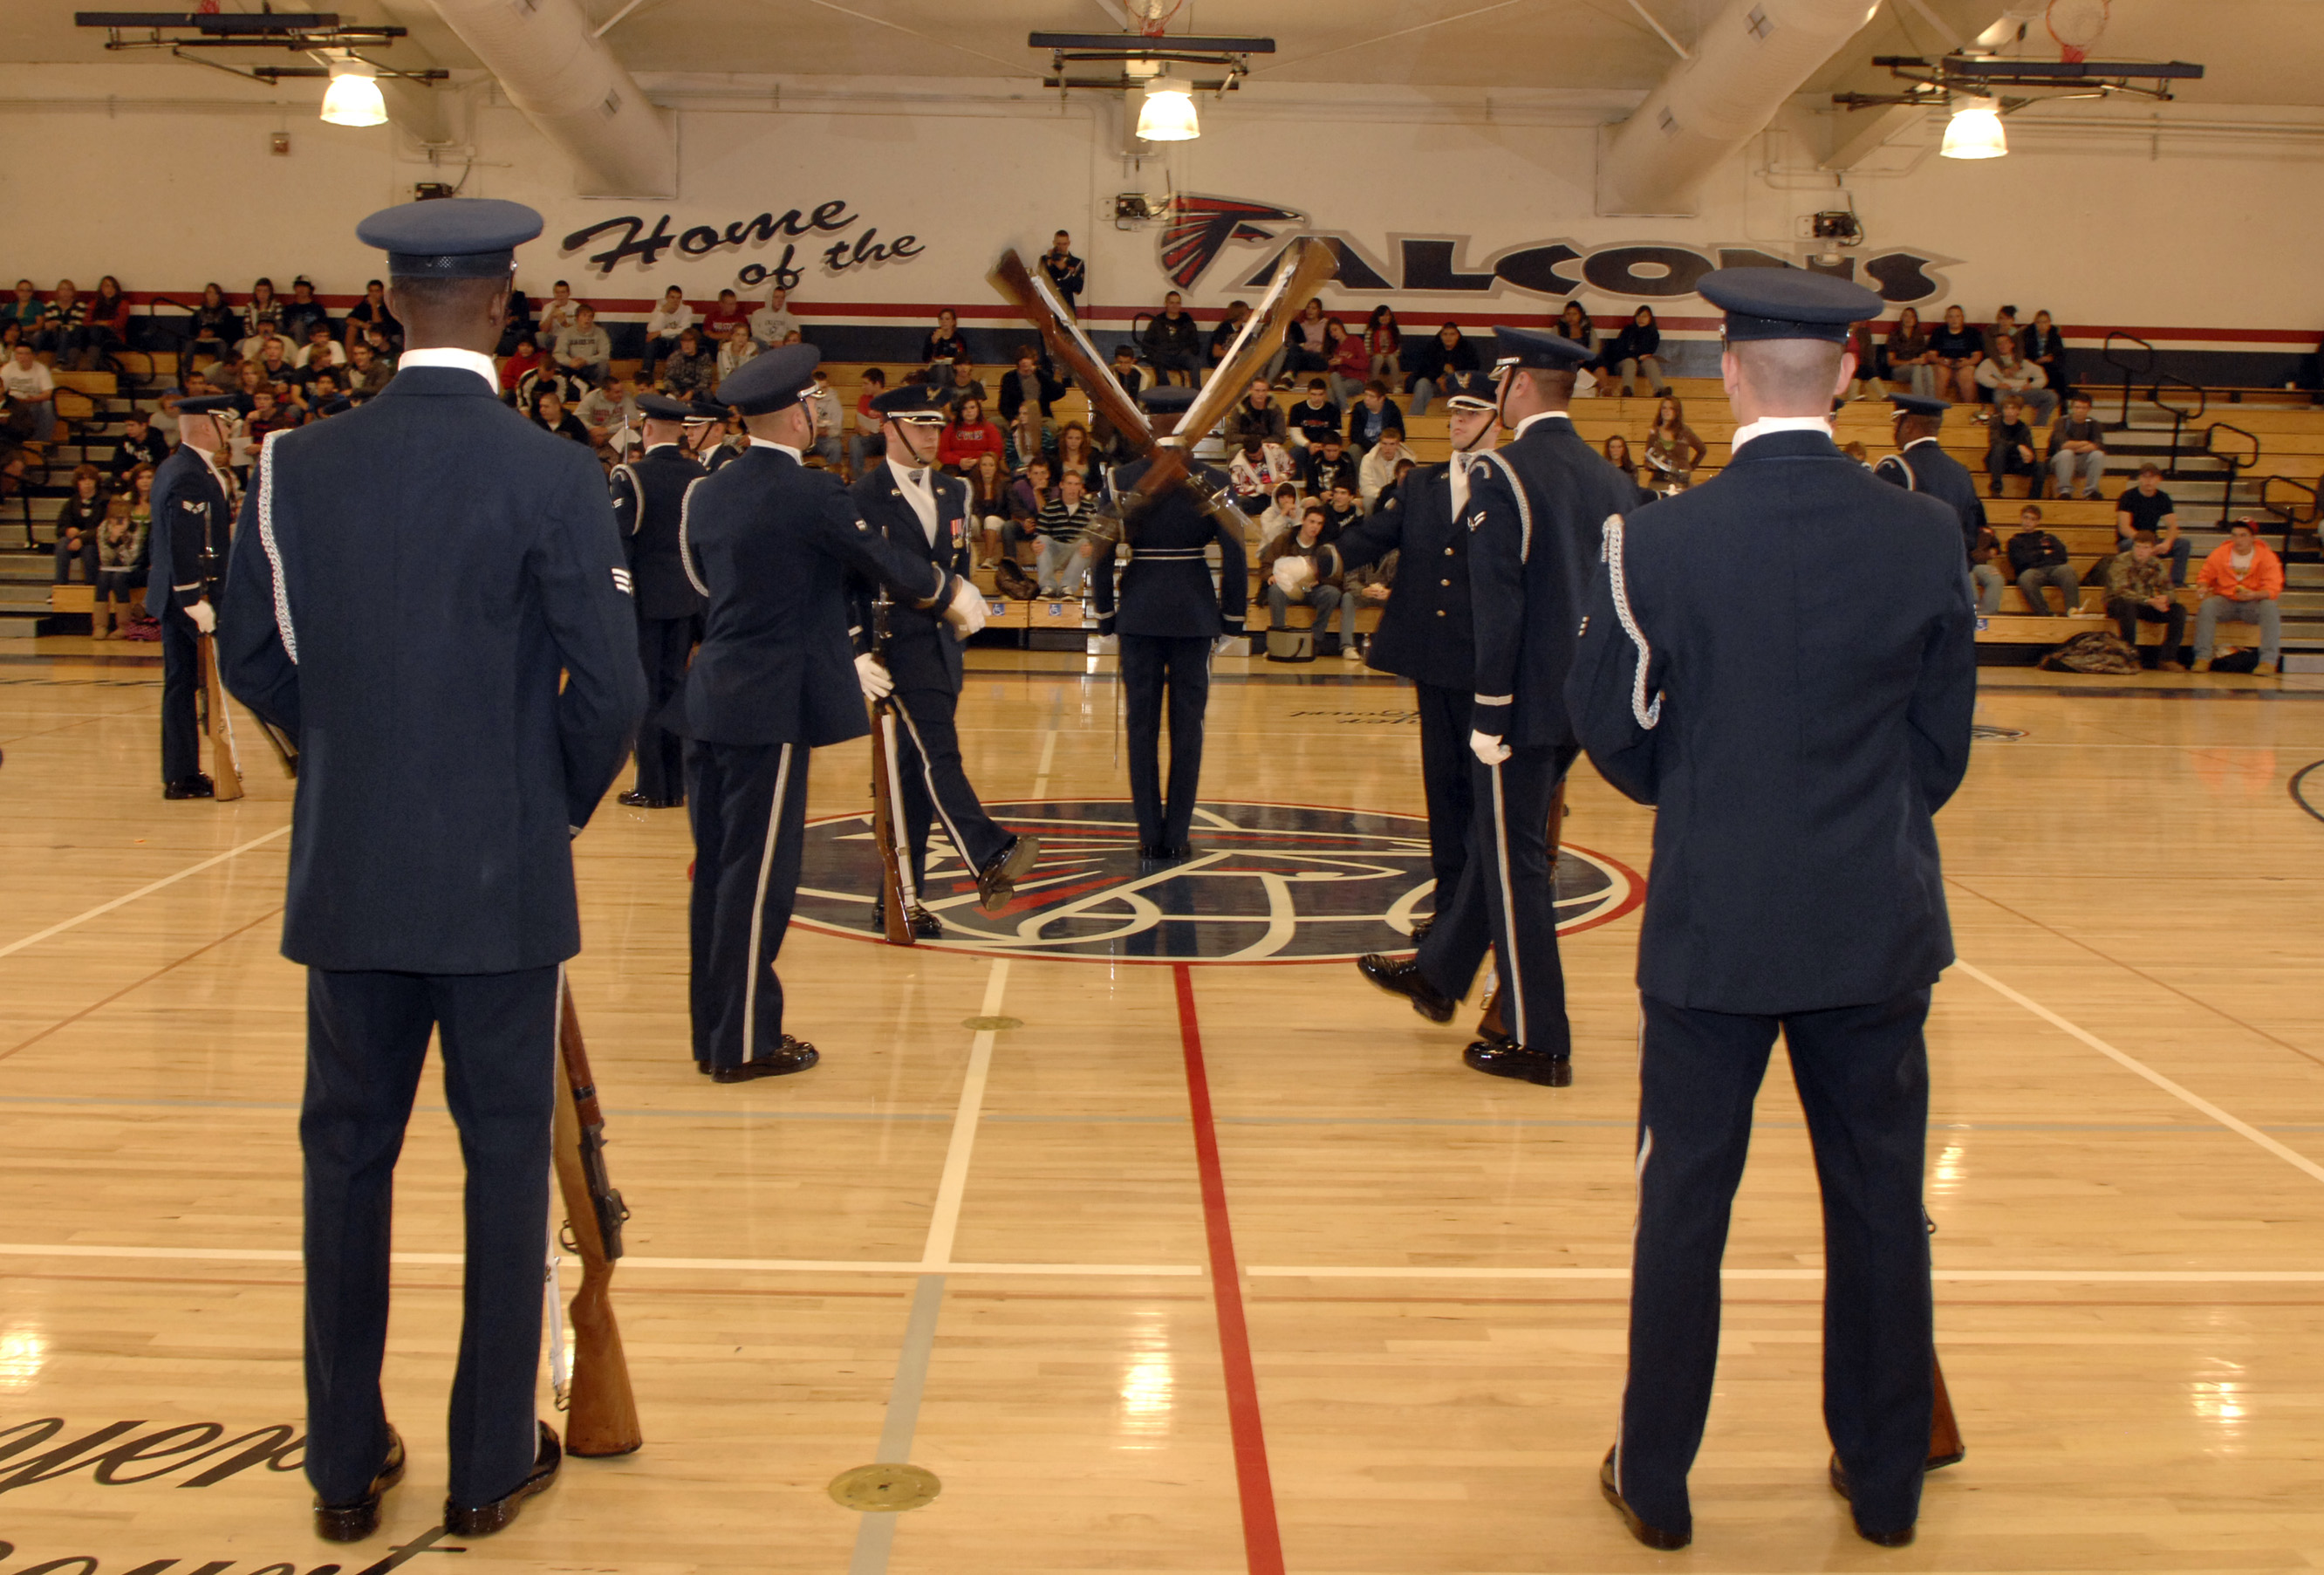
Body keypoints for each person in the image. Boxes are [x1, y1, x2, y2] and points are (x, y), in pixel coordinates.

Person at [215, 199, 644, 1543]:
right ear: (508, 306)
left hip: (351, 873)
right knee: (504, 1163)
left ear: (389, 307)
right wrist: (542, 809)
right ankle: (480, 1466)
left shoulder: (293, 466)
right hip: (499, 882)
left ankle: (342, 1464)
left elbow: (249, 656)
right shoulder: (555, 473)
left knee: (344, 1161)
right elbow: (615, 689)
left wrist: (346, 757)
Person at [1567, 266, 1976, 1553]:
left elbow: (1612, 731)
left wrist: (1699, 792)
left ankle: (1662, 1478)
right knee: (1879, 1201)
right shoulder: (1923, 533)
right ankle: (1887, 1477)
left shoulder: (1657, 537)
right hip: (1872, 921)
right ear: (1848, 374)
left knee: (1685, 1204)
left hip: (1714, 930)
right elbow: (1942, 747)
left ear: (1730, 371)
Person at [682, 347, 993, 1071]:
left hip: (710, 695)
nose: (819, 413)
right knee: (762, 877)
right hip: (768, 705)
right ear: (796, 414)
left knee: (720, 875)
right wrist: (950, 592)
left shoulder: (712, 489)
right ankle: (743, 1044)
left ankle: (715, 1030)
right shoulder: (812, 492)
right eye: (814, 404)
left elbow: (702, 581)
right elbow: (878, 559)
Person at [847, 382, 1041, 933]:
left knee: (912, 781)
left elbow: (950, 566)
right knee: (939, 756)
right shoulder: (860, 496)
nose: (932, 436)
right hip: (893, 650)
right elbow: (842, 582)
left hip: (942, 651)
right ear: (889, 427)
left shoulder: (955, 493)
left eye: (937, 426)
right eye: (919, 426)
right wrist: (856, 649)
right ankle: (988, 853)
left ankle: (900, 904)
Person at [1088, 384, 1249, 865]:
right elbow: (1236, 552)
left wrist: (1105, 614)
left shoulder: (1123, 478)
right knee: (1188, 729)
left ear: (1148, 421)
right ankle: (1177, 834)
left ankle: (1148, 834)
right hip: (1195, 611)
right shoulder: (1211, 479)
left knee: (1141, 727)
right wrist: (1232, 617)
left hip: (1138, 609)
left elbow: (1101, 550)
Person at [607, 392, 710, 810]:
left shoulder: (630, 476)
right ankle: (678, 781)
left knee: (646, 690)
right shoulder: (698, 475)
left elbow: (620, 543)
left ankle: (652, 784)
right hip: (689, 597)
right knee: (675, 686)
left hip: (645, 601)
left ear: (647, 429)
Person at [145, 391, 242, 799]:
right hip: (188, 599)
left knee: (183, 684)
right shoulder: (188, 473)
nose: (229, 432)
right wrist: (192, 599)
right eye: (225, 424)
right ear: (206, 426)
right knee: (195, 683)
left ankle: (182, 772)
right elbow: (182, 542)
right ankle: (183, 773)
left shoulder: (183, 468)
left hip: (180, 597)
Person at [1876, 394, 1983, 563]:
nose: (1894, 428)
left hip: (1911, 568)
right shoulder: (1961, 472)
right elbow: (1972, 531)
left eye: (1897, 422)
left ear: (1908, 425)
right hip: (1951, 572)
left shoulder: (1896, 467)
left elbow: (1882, 526)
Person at [2191, 519, 2284, 675]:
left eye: (2243, 536)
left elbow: (2273, 589)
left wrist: (2254, 594)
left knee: (2270, 607)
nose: (2238, 540)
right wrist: (2202, 586)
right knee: (2208, 606)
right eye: (2234, 536)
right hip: (2227, 600)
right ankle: (2203, 657)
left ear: (2253, 538)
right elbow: (2205, 575)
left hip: (2253, 603)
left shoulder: (2267, 556)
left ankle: (2268, 661)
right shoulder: (2220, 553)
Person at [1261, 503, 1346, 651]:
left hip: (1313, 590)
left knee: (1332, 593)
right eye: (1312, 522)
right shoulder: (1284, 540)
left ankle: (1316, 638)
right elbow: (1266, 566)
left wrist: (1320, 581)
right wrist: (1272, 575)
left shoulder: (1325, 547)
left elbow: (1336, 576)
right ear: (1303, 520)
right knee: (1275, 591)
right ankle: (1279, 637)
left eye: (1319, 524)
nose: (1315, 527)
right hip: (1289, 588)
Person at [2105, 531, 2188, 667]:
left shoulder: (2156, 564)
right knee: (2127, 607)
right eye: (2138, 547)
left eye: (2145, 548)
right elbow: (2120, 591)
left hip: (2146, 603)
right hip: (2119, 603)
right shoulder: (2121, 561)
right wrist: (2149, 600)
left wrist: (2165, 599)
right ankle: (2130, 656)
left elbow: (2170, 589)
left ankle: (2168, 658)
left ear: (2152, 549)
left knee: (2178, 610)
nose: (2141, 551)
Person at [2115, 465, 2190, 585]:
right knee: (2129, 545)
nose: (2148, 481)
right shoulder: (2127, 496)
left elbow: (2172, 526)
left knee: (2183, 544)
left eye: (2152, 477)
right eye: (2145, 477)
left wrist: (2167, 543)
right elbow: (2124, 528)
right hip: (2131, 540)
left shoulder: (2163, 498)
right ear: (2139, 479)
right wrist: (2144, 544)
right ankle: (2133, 582)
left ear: (2159, 480)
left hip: (2152, 542)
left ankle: (2176, 582)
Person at [1036, 468, 1098, 597]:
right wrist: (1035, 544)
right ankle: (1048, 587)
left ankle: (1067, 587)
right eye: (1069, 484)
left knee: (1085, 542)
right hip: (1056, 552)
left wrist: (1092, 546)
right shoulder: (1050, 507)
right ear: (1062, 485)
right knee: (1041, 540)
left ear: (1081, 487)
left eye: (1076, 484)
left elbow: (1097, 534)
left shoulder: (1090, 508)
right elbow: (1040, 532)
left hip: (1077, 552)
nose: (1073, 488)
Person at [2006, 505, 2081, 615]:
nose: (2028, 522)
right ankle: (2045, 614)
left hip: (2054, 569)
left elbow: (2062, 556)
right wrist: (2043, 553)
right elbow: (2020, 562)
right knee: (2026, 578)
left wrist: (2033, 556)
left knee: (2067, 570)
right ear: (2021, 519)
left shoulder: (2048, 538)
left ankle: (2073, 612)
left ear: (2037, 522)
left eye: (2033, 519)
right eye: (2026, 518)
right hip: (2031, 571)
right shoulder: (2015, 541)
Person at [92, 489, 144, 640]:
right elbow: (105, 558)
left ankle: (123, 626)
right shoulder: (103, 528)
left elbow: (130, 558)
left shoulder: (136, 528)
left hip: (132, 569)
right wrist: (113, 539)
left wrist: (121, 541)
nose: (118, 522)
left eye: (122, 518)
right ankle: (100, 626)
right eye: (115, 518)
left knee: (118, 578)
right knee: (103, 577)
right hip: (109, 567)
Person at [1975, 333, 2055, 426]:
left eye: (2005, 342)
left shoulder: (2024, 362)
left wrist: (2031, 385)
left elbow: (2042, 377)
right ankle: (2004, 426)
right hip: (2006, 392)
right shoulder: (1990, 362)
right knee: (1999, 397)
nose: (2003, 345)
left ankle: (2039, 426)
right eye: (1999, 343)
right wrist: (1996, 384)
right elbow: (1979, 375)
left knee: (2051, 396)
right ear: (1997, 346)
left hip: (2024, 392)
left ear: (2012, 345)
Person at [2047, 393, 2108, 499]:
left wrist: (2075, 446)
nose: (2080, 411)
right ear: (2072, 408)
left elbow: (2097, 445)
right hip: (2059, 462)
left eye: (2084, 408)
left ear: (2089, 409)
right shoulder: (2062, 421)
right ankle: (2064, 491)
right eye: (2077, 407)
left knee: (2098, 455)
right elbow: (2064, 445)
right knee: (2067, 454)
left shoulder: (2093, 424)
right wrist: (2084, 443)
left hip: (2081, 461)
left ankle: (2091, 491)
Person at [53, 466, 106, 585]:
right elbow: (60, 527)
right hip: (75, 540)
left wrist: (82, 539)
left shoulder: (105, 501)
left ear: (96, 481)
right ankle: (60, 585)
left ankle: (91, 587)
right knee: (62, 544)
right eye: (83, 480)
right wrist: (68, 530)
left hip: (95, 541)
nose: (87, 483)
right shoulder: (72, 502)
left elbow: (105, 528)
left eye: (90, 479)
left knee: (89, 550)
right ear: (77, 483)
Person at [1642, 397, 1705, 491]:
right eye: (1664, 408)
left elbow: (1702, 450)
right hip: (1659, 481)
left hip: (1680, 483)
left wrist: (1690, 467)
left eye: (1671, 408)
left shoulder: (1685, 432)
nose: (1667, 411)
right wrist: (1650, 465)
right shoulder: (1654, 433)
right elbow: (1647, 458)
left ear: (1677, 412)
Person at [1141, 291, 1203, 387]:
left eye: (1178, 303)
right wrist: (1155, 353)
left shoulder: (1187, 322)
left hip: (1182, 356)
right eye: (1172, 303)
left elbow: (1195, 342)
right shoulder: (1158, 322)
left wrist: (1188, 351)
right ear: (1166, 304)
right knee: (1157, 360)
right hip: (1163, 356)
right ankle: (1165, 390)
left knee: (1195, 361)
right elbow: (1147, 343)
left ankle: (1197, 393)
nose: (1175, 306)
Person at [1986, 394, 2040, 497]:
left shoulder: (2023, 427)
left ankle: (2034, 497)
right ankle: (1996, 489)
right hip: (1998, 462)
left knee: (2040, 467)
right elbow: (1995, 441)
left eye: (2013, 408)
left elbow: (2030, 449)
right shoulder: (1996, 422)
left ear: (2019, 411)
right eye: (2006, 408)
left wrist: (2030, 456)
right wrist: (2017, 447)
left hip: (2015, 462)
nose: (2009, 411)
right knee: (1999, 448)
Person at [1930, 305, 1985, 407]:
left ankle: (1969, 407)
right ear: (1946, 319)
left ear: (1962, 318)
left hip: (1965, 364)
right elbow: (1931, 355)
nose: (1954, 319)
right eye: (1951, 316)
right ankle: (1937, 406)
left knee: (1966, 373)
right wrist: (1942, 361)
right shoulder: (1939, 332)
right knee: (1941, 371)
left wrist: (1966, 362)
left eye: (1957, 316)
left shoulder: (1972, 332)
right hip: (1944, 365)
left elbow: (1977, 356)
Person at [1606, 306, 1668, 397]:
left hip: (1641, 366)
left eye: (1645, 316)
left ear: (1650, 318)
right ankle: (1627, 390)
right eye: (1639, 316)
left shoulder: (1653, 334)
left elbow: (1648, 352)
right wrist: (1637, 357)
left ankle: (1659, 390)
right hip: (1624, 365)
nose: (1641, 319)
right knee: (1630, 362)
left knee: (1650, 362)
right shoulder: (1628, 330)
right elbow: (1620, 351)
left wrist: (1636, 355)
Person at [2, 342, 58, 443]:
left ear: (33, 355)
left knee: (48, 406)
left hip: (33, 402)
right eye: (19, 354)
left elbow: (49, 393)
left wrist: (32, 399)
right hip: (13, 403)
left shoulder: (41, 368)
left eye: (26, 354)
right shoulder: (8, 368)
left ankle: (41, 442)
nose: (22, 357)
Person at [938, 394, 1004, 473]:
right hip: (955, 465)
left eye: (972, 408)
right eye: (964, 408)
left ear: (978, 409)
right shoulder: (950, 428)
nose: (969, 411)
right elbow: (941, 452)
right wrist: (959, 461)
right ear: (960, 411)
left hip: (982, 465)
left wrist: (978, 461)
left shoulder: (989, 427)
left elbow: (996, 452)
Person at [342, 278, 403, 356]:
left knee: (377, 334)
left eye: (377, 291)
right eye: (371, 291)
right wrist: (364, 325)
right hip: (367, 334)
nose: (374, 294)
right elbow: (349, 319)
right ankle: (350, 362)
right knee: (351, 328)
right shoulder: (364, 305)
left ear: (382, 292)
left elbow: (378, 324)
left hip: (385, 335)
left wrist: (374, 305)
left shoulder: (387, 305)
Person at [1884, 306, 1935, 399]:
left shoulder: (1919, 336)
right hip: (1899, 370)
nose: (1909, 319)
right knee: (1917, 369)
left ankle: (1931, 400)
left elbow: (1923, 356)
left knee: (1928, 368)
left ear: (1915, 320)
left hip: (1917, 368)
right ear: (1901, 318)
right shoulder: (1894, 335)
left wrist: (1922, 360)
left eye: (1912, 316)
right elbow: (1891, 362)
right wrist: (1911, 362)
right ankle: (1920, 402)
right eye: (1906, 316)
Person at [642, 284, 693, 377]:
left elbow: (684, 330)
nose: (675, 301)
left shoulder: (686, 309)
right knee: (650, 340)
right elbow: (651, 329)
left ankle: (673, 373)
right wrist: (663, 311)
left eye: (678, 298)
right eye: (672, 297)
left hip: (676, 341)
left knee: (680, 338)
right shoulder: (660, 307)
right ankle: (646, 373)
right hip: (662, 341)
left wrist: (660, 332)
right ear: (666, 298)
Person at [1224, 377, 1288, 449]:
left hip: (1266, 444)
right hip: (1244, 444)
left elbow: (1280, 436)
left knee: (1276, 449)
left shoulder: (1275, 409)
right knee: (1235, 448)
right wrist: (1251, 440)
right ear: (1250, 390)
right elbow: (1230, 435)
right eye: (1257, 390)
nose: (1260, 394)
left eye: (1264, 391)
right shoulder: (1240, 408)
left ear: (1268, 392)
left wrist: (1260, 442)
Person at [1358, 427, 1414, 510]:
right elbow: (1365, 488)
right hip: (1376, 496)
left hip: (1399, 497)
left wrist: (1394, 497)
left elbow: (1410, 486)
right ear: (1380, 444)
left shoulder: (1408, 461)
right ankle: (1369, 523)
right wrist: (1385, 495)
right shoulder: (1368, 459)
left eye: (1392, 444)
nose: (1388, 448)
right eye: (1384, 444)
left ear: (1398, 445)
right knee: (1368, 501)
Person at [1344, 380, 1404, 454]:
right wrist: (1372, 448)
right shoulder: (1359, 409)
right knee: (1354, 449)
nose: (1367, 399)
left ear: (1381, 399)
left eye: (1371, 396)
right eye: (1366, 395)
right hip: (1364, 447)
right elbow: (1355, 436)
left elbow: (1399, 434)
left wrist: (1383, 446)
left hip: (1385, 447)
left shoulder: (1392, 410)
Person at [2022, 310, 2070, 401]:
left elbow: (2060, 355)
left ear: (2049, 323)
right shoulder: (2027, 335)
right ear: (2035, 323)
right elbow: (2024, 354)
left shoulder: (2055, 337)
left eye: (2045, 322)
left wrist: (2051, 358)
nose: (2042, 325)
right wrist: (2036, 360)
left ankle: (2061, 407)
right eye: (2039, 322)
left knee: (2060, 377)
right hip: (2031, 367)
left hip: (2049, 367)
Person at [1324, 318, 1370, 407]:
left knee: (1332, 391)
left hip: (1357, 380)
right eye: (1331, 332)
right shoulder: (1335, 347)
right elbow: (1333, 372)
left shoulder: (1355, 340)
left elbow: (1364, 363)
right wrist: (1332, 364)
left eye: (1335, 330)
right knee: (1333, 378)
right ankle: (1342, 411)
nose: (1333, 334)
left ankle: (1344, 409)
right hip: (1341, 379)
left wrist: (1344, 360)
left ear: (1342, 328)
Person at [1038, 230, 1085, 318]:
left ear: (1068, 243)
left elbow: (1078, 289)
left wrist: (1064, 270)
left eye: (1064, 244)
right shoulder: (1045, 259)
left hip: (1066, 308)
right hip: (1047, 308)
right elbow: (1041, 282)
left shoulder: (1077, 263)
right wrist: (1049, 262)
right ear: (1054, 243)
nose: (1061, 247)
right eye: (1058, 244)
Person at [920, 309, 968, 379]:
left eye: (947, 319)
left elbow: (964, 359)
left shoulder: (958, 338)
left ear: (953, 322)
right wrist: (933, 343)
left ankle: (947, 389)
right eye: (941, 319)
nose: (944, 322)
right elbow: (925, 359)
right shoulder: (932, 336)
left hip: (953, 368)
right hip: (935, 369)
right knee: (942, 369)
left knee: (949, 370)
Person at [1365, 305, 1405, 385]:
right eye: (1382, 315)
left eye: (1387, 315)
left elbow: (1398, 348)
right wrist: (1374, 354)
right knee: (1379, 358)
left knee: (1391, 358)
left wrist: (1391, 354)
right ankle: (1372, 384)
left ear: (1390, 317)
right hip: (1375, 357)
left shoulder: (1394, 330)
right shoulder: (1371, 331)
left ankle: (1398, 385)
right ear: (1378, 317)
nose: (1385, 318)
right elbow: (1367, 348)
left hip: (1390, 355)